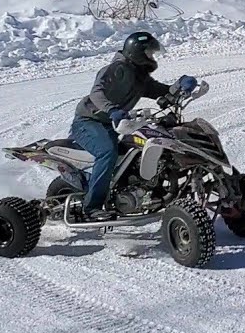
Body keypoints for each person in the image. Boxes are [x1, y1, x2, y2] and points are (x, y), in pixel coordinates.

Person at [71, 31, 172, 221]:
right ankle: (91, 208)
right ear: (137, 53)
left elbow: (157, 90)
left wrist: (176, 89)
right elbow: (97, 93)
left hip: (115, 124)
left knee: (135, 150)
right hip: (89, 121)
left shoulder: (139, 75)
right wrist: (112, 110)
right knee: (108, 152)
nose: (152, 57)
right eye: (149, 53)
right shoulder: (117, 68)